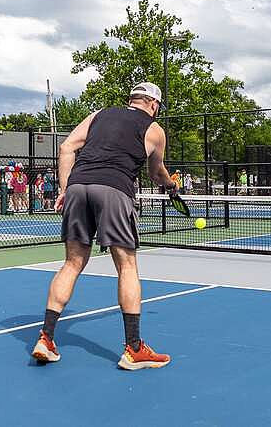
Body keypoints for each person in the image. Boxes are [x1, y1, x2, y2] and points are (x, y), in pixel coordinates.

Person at [31, 81, 176, 370]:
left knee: (72, 263)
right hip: (114, 189)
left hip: (77, 187)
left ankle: (46, 338)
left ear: (133, 99)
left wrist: (63, 188)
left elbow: (66, 146)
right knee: (127, 266)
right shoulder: (154, 130)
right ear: (153, 104)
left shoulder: (98, 114)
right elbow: (155, 172)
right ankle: (134, 349)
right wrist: (171, 185)